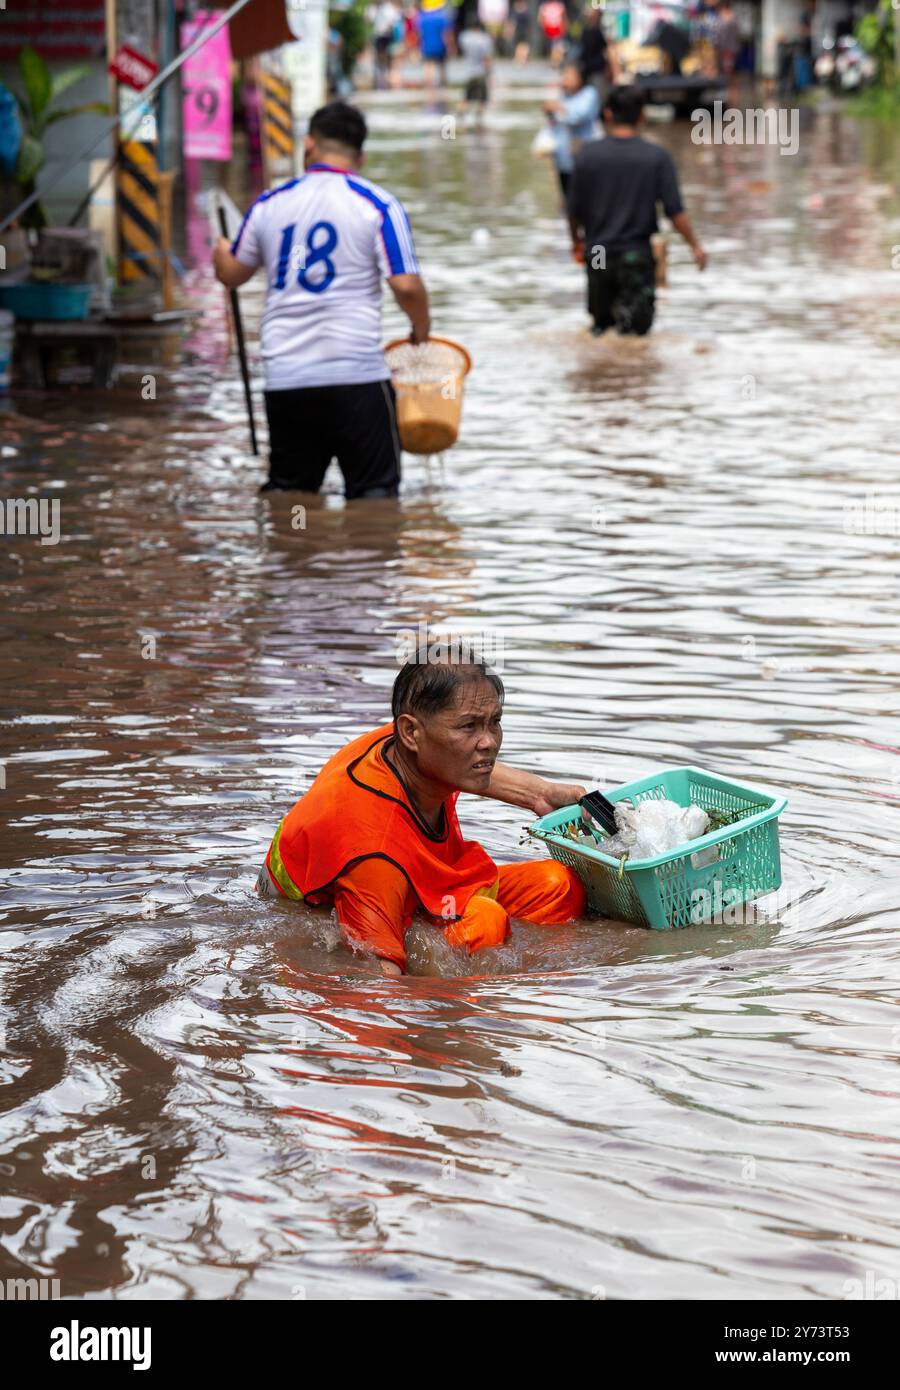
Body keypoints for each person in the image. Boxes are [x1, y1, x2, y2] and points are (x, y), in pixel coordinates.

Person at [257, 660, 588, 976]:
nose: (488, 742)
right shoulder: (375, 851)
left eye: (494, 722)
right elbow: (377, 984)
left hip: (414, 880)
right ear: (411, 732)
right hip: (355, 895)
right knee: (485, 922)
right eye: (469, 726)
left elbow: (472, 765)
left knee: (558, 886)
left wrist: (541, 794)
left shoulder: (411, 745)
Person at [213, 101, 430, 499]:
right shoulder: (379, 205)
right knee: (375, 501)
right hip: (356, 379)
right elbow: (407, 287)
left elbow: (232, 274)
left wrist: (219, 250)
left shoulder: (269, 204)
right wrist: (421, 328)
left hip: (288, 379)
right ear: (360, 156)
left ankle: (295, 555)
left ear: (308, 144)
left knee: (290, 497)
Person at [568, 85, 706, 337]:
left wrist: (576, 241)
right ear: (642, 115)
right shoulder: (656, 158)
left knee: (601, 327)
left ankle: (599, 372)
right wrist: (694, 246)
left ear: (608, 115)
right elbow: (674, 211)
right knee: (635, 334)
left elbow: (573, 208)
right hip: (636, 253)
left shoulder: (587, 155)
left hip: (598, 252)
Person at [544, 61, 599, 203]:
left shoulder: (589, 94)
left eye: (570, 75)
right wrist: (550, 111)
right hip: (563, 157)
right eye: (565, 75)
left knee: (584, 199)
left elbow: (578, 117)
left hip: (582, 156)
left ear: (580, 77)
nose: (566, 79)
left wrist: (557, 107)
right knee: (567, 198)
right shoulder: (564, 96)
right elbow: (556, 122)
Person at [578, 4, 618, 105]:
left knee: (599, 98)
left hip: (597, 70)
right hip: (588, 70)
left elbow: (607, 50)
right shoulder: (586, 31)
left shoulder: (600, 31)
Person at [458, 18, 494, 119]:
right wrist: (490, 73)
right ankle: (479, 122)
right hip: (480, 73)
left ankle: (459, 118)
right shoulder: (485, 39)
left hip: (468, 73)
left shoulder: (465, 37)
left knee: (465, 99)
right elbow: (487, 58)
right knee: (482, 100)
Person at [418, 0, 454, 88]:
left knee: (428, 68)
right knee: (442, 68)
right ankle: (445, 89)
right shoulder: (442, 17)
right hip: (440, 46)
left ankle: (428, 92)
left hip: (426, 46)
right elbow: (447, 34)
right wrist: (451, 46)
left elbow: (419, 34)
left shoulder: (422, 18)